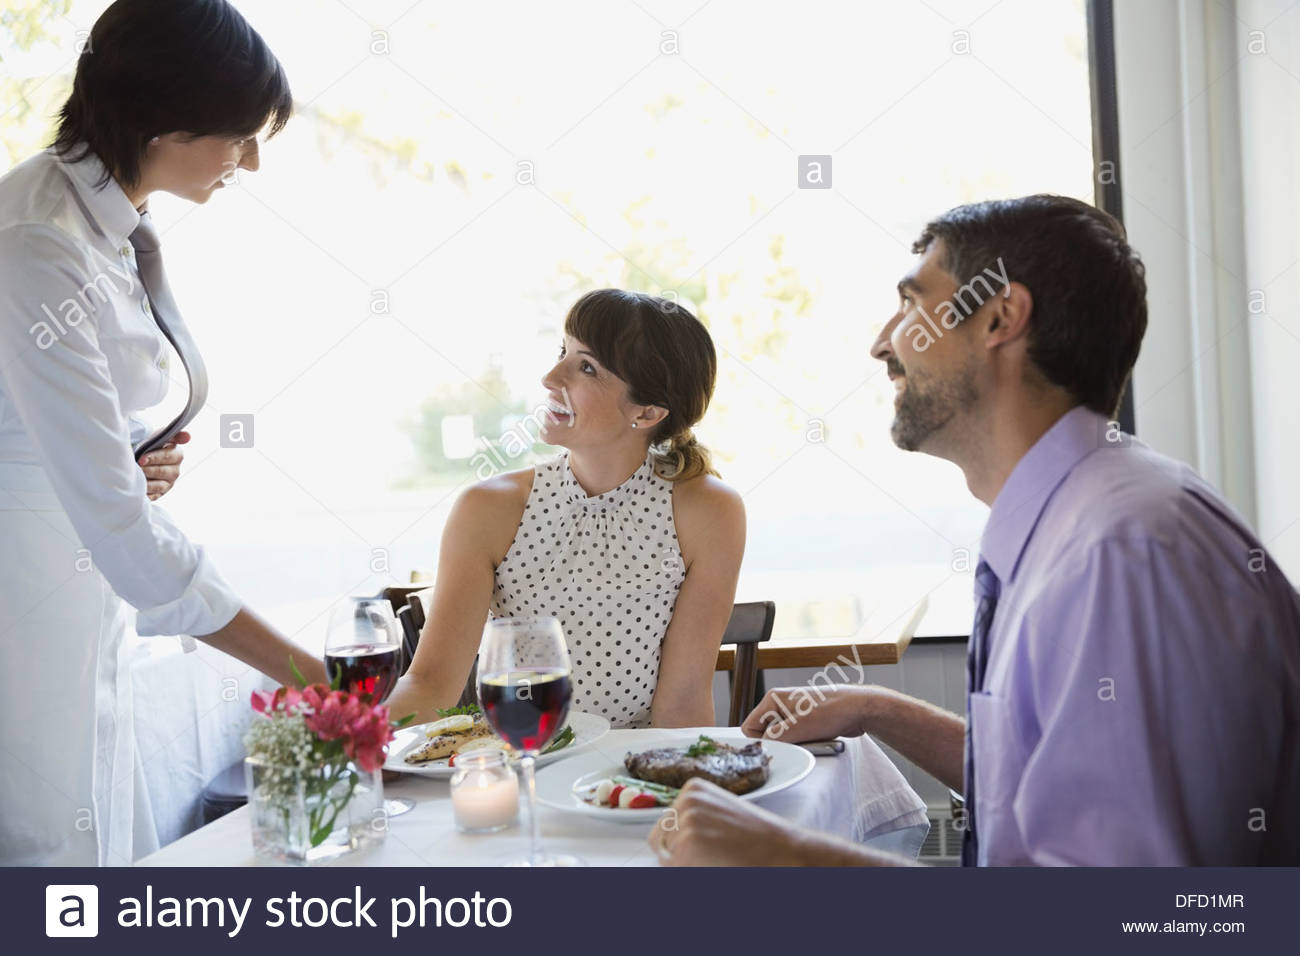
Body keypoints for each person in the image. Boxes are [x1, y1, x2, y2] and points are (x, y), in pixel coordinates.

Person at [650, 194, 1300, 866]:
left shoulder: (1118, 558)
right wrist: (879, 709)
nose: (882, 342)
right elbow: (1049, 795)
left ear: (999, 317)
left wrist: (792, 861)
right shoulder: (1081, 519)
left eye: (910, 304)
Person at [0, 0, 326, 867]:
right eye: (239, 134)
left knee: (94, 845)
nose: (251, 159)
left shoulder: (110, 226)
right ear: (162, 118)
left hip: (82, 598)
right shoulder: (36, 241)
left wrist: (124, 455)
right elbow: (116, 525)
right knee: (48, 853)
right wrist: (304, 669)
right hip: (26, 605)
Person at [387, 289, 746, 728]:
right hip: (523, 767)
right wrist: (346, 743)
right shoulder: (487, 508)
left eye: (587, 367)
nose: (551, 377)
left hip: (629, 782)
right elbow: (429, 685)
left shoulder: (709, 511)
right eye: (564, 352)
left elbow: (683, 705)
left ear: (648, 412)